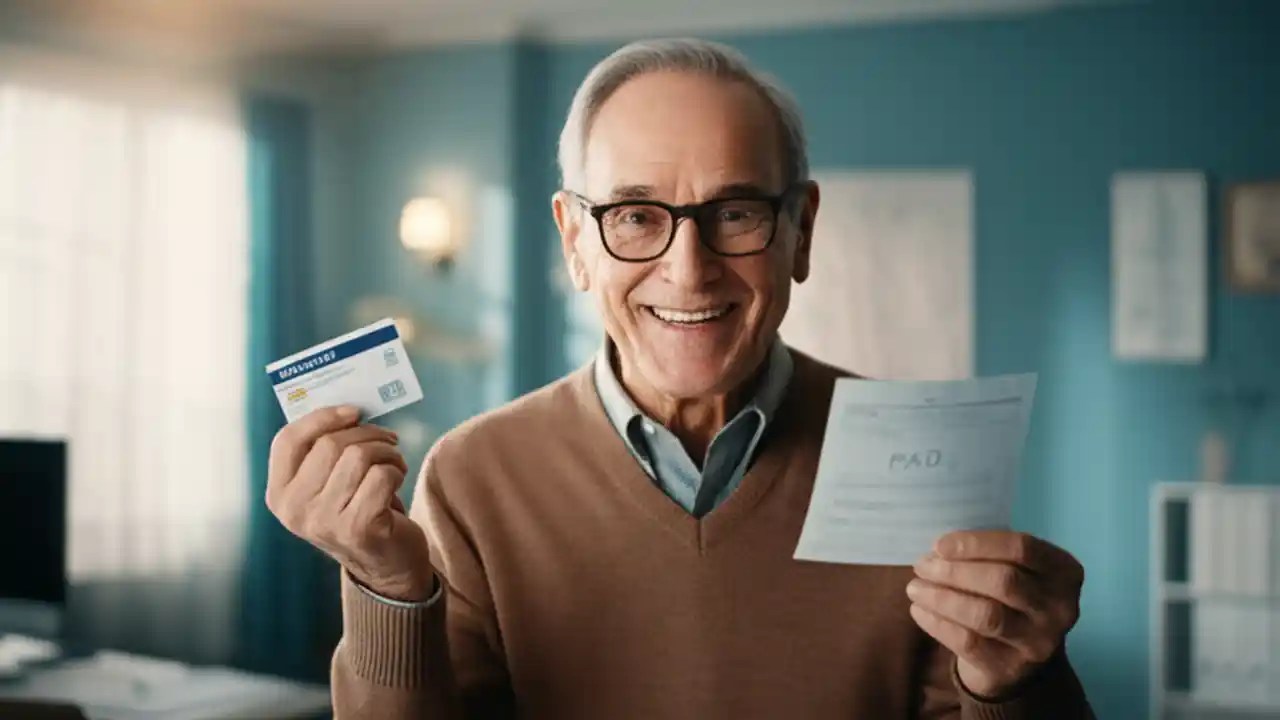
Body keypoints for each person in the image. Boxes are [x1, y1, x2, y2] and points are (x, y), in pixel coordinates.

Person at [266, 38, 1093, 719]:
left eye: (735, 213)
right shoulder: (473, 476)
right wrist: (389, 590)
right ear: (574, 242)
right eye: (633, 216)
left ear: (800, 232)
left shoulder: (918, 460)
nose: (688, 271)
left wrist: (1016, 683)